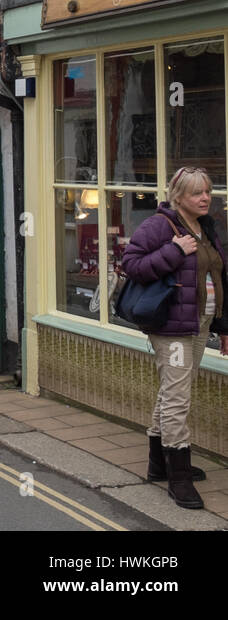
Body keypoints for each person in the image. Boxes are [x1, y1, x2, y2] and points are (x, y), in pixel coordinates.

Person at [122, 167, 228, 510]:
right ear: (178, 196)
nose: (204, 198)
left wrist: (222, 328)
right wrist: (175, 252)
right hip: (172, 328)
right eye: (197, 193)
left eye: (207, 192)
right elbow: (131, 265)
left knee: (174, 391)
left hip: (199, 322)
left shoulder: (206, 226)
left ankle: (158, 463)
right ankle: (178, 477)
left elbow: (218, 278)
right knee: (178, 397)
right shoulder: (159, 225)